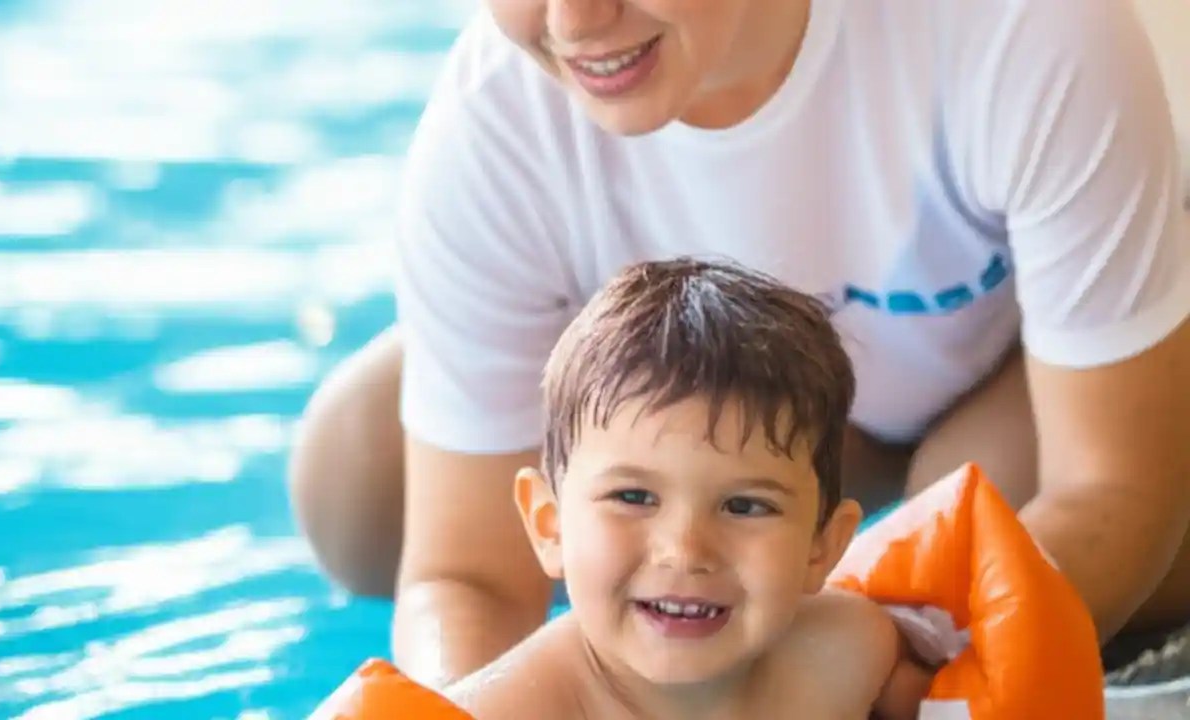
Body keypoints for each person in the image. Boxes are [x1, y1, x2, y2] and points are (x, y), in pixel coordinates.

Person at [289, 0, 1190, 689]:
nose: (574, 22)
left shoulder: (1020, 29)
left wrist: (860, 674)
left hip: (1011, 374)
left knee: (979, 516)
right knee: (363, 477)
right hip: (740, 414)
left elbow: (1111, 486)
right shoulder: (496, 116)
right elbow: (463, 573)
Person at [447, 257, 934, 719]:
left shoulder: (846, 656)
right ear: (550, 525)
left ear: (822, 546)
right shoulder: (499, 712)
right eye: (633, 497)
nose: (685, 551)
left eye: (744, 506)